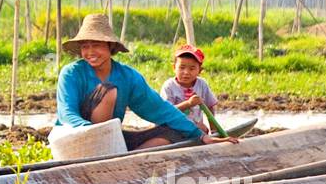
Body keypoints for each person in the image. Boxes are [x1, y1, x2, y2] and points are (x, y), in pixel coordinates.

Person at [53, 14, 231, 151]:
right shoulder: (71, 73)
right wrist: (94, 133)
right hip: (74, 141)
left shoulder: (128, 76)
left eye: (96, 45)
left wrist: (199, 135)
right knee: (108, 91)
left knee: (171, 133)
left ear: (110, 46)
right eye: (85, 46)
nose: (90, 51)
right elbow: (67, 113)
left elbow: (160, 109)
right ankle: (109, 153)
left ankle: (125, 159)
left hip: (111, 141)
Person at [160, 44, 219, 133]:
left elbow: (210, 107)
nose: (186, 72)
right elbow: (167, 112)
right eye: (182, 68)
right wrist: (188, 103)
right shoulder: (169, 86)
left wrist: (214, 131)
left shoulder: (202, 84)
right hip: (174, 129)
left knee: (204, 129)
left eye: (192, 69)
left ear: (200, 70)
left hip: (196, 127)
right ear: (174, 68)